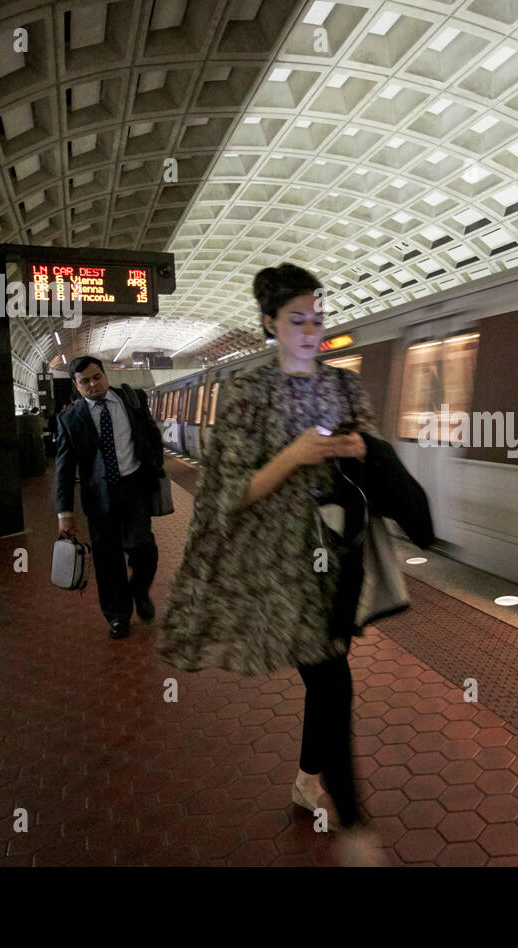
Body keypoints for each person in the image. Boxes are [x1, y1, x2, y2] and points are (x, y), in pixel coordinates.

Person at [159, 263, 388, 867]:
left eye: (317, 317)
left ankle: (308, 777)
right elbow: (227, 492)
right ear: (269, 323)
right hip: (280, 564)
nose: (311, 329)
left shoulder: (344, 386)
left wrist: (361, 448)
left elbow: (370, 463)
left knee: (326, 676)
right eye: (297, 320)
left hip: (336, 556)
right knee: (333, 678)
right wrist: (294, 454)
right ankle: (356, 823)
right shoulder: (247, 393)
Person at [55, 356, 165, 640]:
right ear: (77, 386)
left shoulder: (133, 400)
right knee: (107, 558)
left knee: (143, 547)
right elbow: (64, 468)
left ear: (105, 374)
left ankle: (139, 590)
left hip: (135, 487)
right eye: (85, 381)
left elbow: (152, 436)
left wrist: (156, 468)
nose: (93, 384)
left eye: (96, 377)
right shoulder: (70, 418)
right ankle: (118, 616)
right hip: (98, 497)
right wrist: (64, 512)